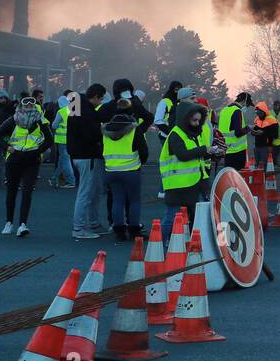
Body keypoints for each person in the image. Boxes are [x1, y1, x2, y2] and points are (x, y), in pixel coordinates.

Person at [97, 79, 153, 241]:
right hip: (131, 168)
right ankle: (134, 228)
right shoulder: (133, 125)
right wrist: (140, 132)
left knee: (116, 199)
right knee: (134, 200)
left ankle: (118, 228)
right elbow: (144, 151)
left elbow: (102, 148)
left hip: (112, 168)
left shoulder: (105, 125)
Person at [0, 96, 54, 237]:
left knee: (27, 192)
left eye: (31, 106)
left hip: (32, 160)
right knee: (11, 191)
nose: (29, 108)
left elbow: (50, 140)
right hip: (14, 159)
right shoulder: (14, 118)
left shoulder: (40, 120)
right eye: (26, 106)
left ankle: (22, 225)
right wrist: (7, 148)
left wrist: (37, 151)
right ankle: (8, 223)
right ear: (21, 107)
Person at [160, 101, 222, 237]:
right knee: (172, 217)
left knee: (198, 216)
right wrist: (204, 149)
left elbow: (197, 156)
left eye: (199, 120)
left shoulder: (194, 133)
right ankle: (160, 244)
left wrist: (211, 152)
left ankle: (195, 245)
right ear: (185, 118)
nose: (197, 123)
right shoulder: (175, 134)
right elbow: (183, 155)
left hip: (195, 182)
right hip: (178, 185)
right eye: (194, 120)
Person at [67, 83, 108, 238]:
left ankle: (91, 223)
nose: (101, 102)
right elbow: (90, 134)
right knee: (86, 192)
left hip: (77, 154)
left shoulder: (76, 106)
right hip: (87, 155)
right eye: (101, 98)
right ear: (96, 96)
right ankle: (79, 228)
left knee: (92, 190)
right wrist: (101, 130)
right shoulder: (88, 112)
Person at [218, 92, 252, 171]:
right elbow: (238, 133)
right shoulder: (237, 111)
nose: (245, 107)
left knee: (229, 175)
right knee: (237, 177)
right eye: (246, 105)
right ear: (244, 101)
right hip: (237, 151)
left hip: (226, 150)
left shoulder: (224, 110)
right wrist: (248, 128)